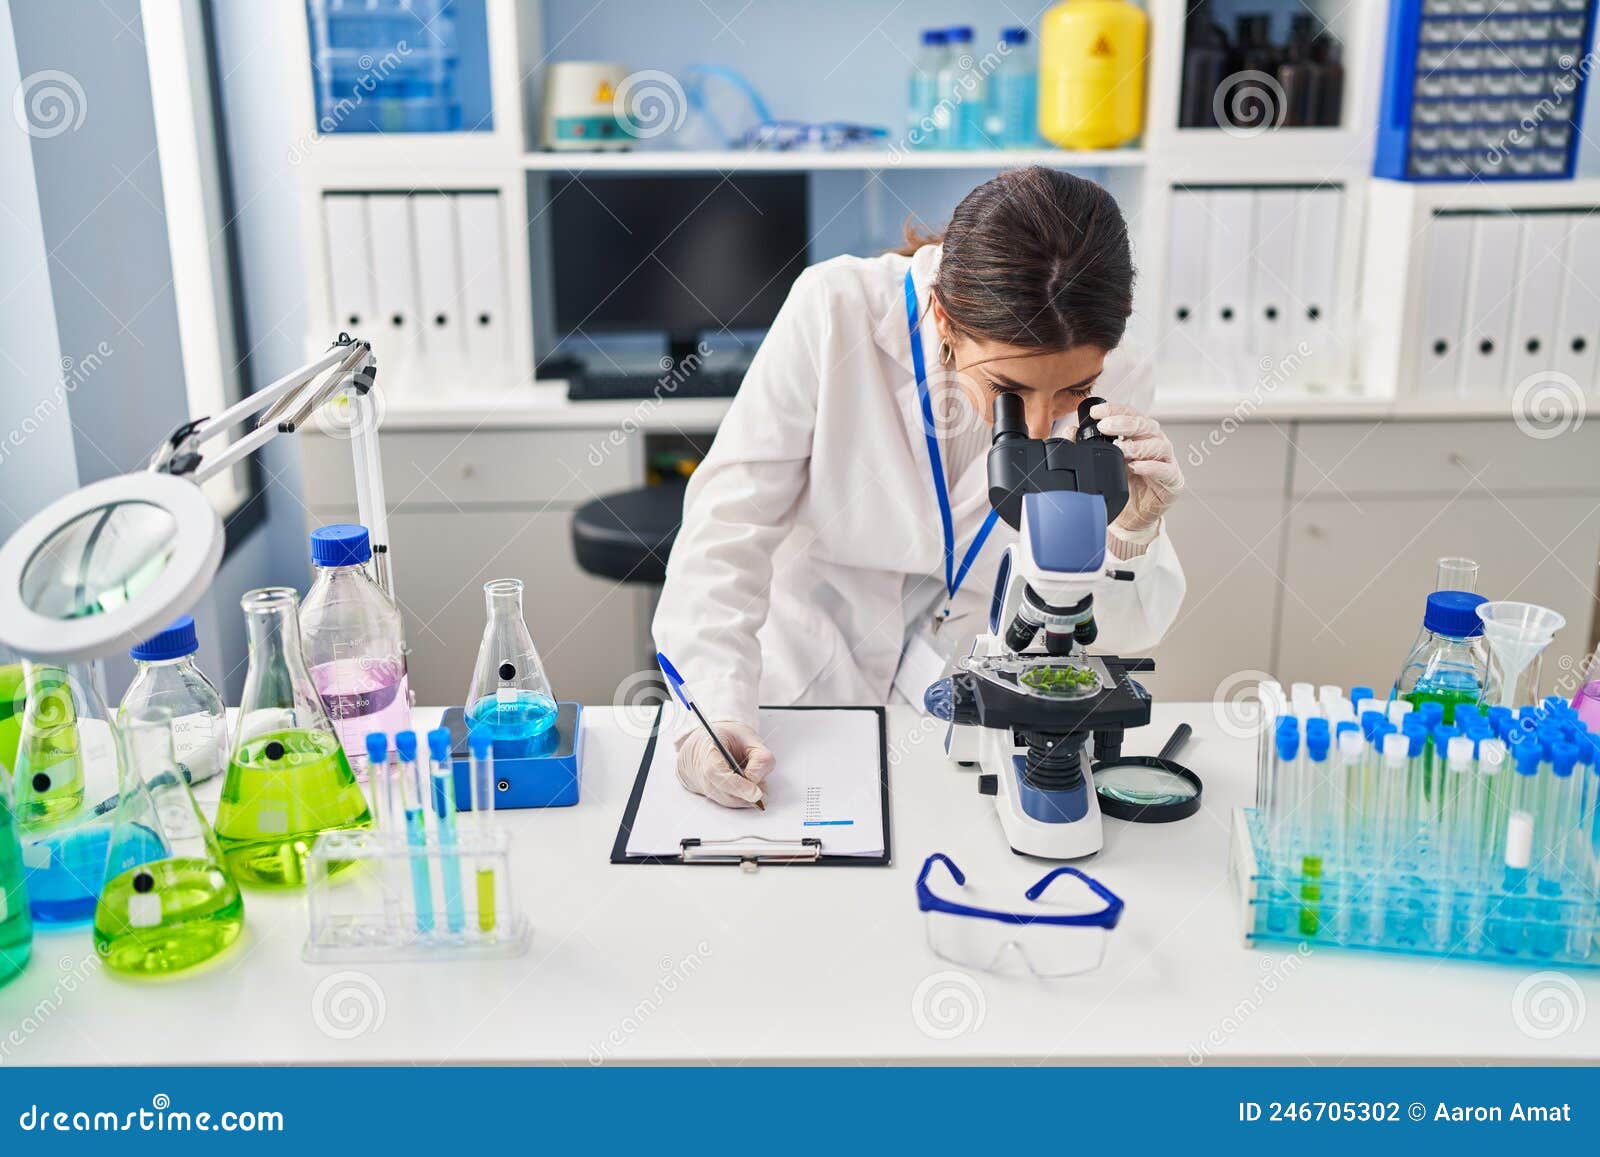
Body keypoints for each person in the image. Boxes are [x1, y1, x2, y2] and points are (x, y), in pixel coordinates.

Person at [653, 167, 1185, 808]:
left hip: (974, 713)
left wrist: (1130, 533)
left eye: (1074, 391)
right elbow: (726, 533)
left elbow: (1114, 633)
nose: (1045, 426)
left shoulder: (1118, 372)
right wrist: (713, 714)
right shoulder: (835, 308)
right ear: (944, 316)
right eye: (1010, 392)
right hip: (804, 691)